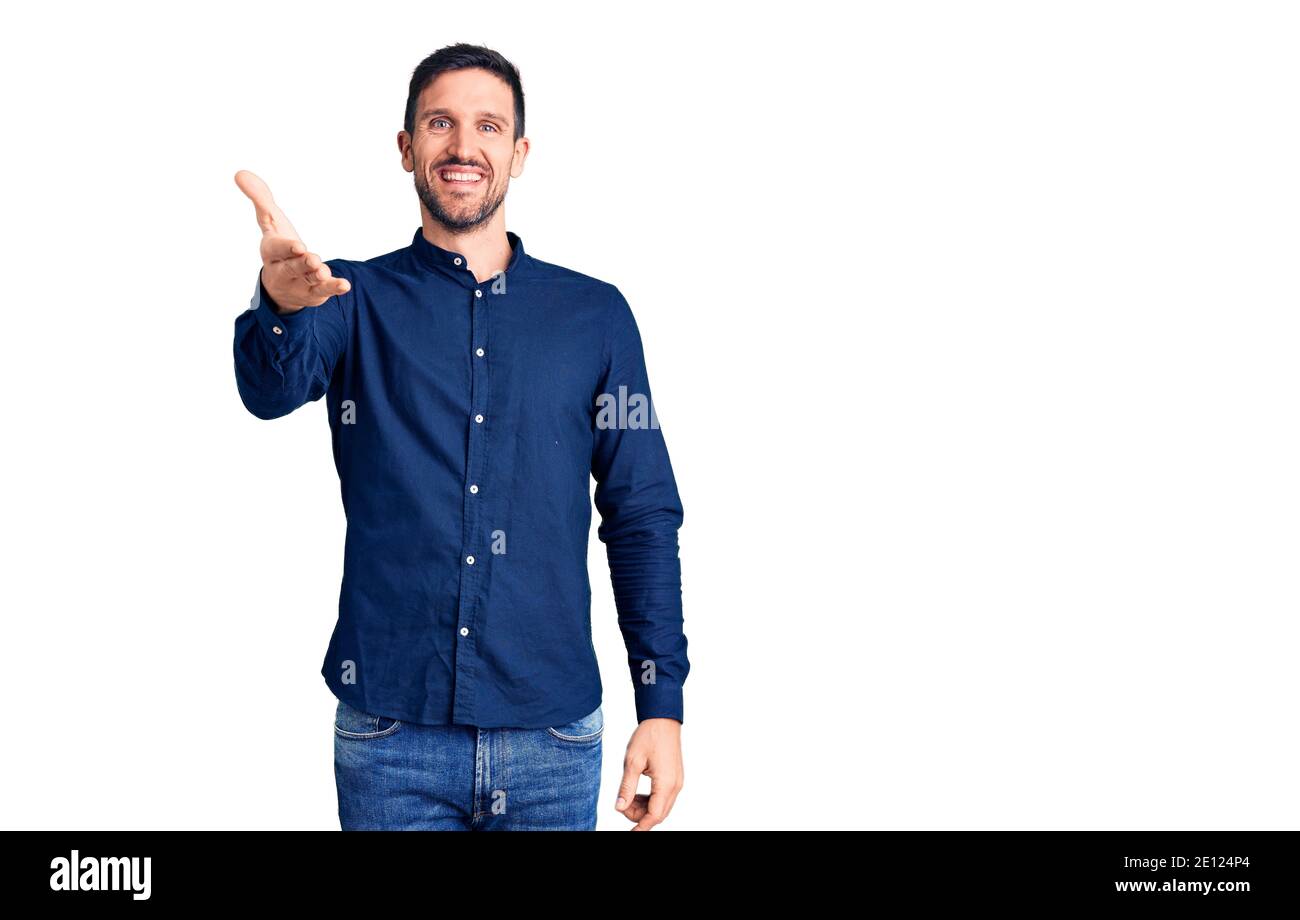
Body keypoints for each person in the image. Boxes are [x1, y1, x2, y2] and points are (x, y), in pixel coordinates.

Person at [231, 43, 687, 831]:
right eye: (440, 123)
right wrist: (277, 304)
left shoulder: (596, 316)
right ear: (408, 148)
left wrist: (663, 706)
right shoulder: (345, 295)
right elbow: (269, 392)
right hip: (390, 739)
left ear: (519, 152)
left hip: (552, 739)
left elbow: (641, 513)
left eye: (488, 125)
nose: (463, 146)